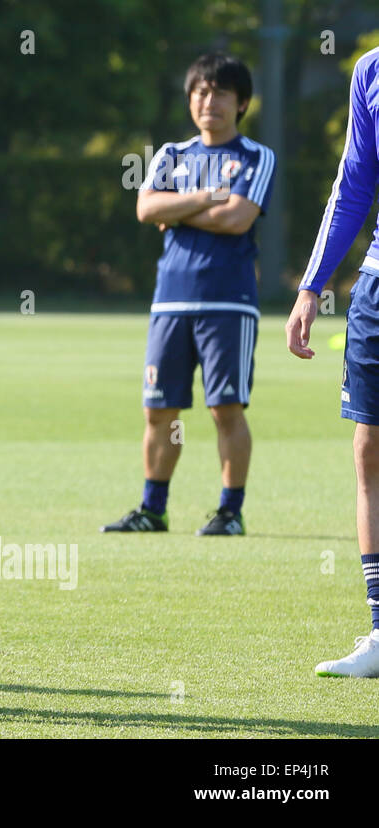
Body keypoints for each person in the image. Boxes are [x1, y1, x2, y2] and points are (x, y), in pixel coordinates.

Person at [102, 54, 274, 537]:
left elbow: (237, 218)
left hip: (228, 301)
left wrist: (176, 209)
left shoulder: (256, 157)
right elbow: (145, 206)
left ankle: (229, 512)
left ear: (241, 102)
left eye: (220, 92)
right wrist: (206, 197)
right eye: (200, 91)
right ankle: (153, 509)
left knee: (225, 408)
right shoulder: (171, 155)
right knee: (159, 410)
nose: (208, 100)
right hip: (170, 301)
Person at [288, 45, 379, 677]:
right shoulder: (370, 71)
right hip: (377, 288)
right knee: (369, 452)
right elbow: (352, 183)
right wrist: (311, 286)